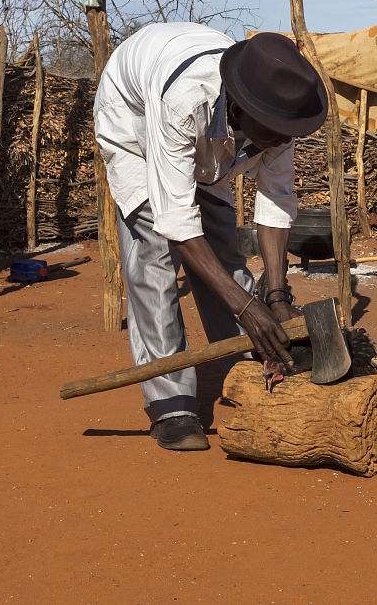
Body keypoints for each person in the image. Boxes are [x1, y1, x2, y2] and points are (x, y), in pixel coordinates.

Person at [94, 23, 328, 451]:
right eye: (272, 130)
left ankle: (243, 359)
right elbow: (176, 221)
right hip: (136, 118)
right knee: (153, 256)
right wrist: (245, 305)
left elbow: (275, 203)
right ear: (238, 110)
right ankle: (172, 405)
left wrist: (274, 296)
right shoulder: (184, 100)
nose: (280, 141)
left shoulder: (278, 114)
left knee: (222, 244)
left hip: (204, 135)